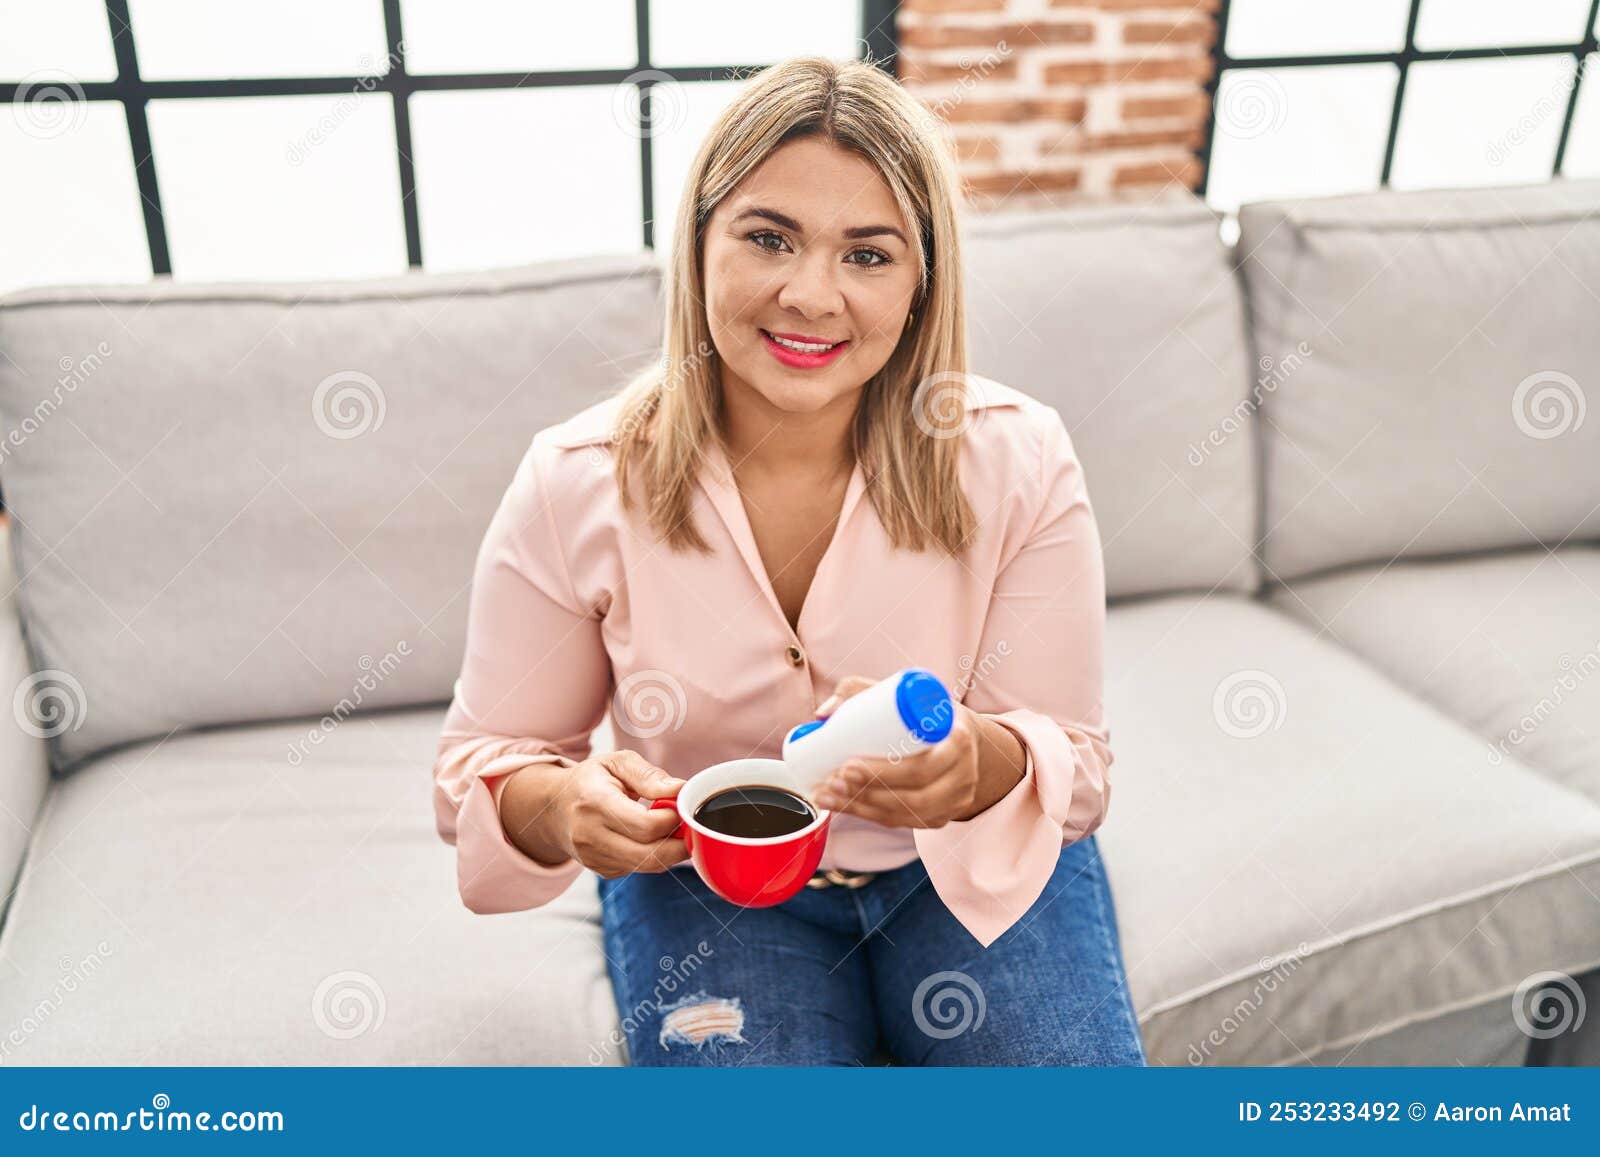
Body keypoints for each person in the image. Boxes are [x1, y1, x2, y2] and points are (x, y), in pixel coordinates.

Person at [432, 55, 1144, 1067]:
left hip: (961, 860)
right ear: (698, 244)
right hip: (704, 880)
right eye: (768, 238)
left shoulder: (1017, 457)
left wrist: (976, 764)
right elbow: (479, 767)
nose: (811, 295)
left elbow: (1073, 762)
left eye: (868, 254)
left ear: (920, 282)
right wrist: (559, 806)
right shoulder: (574, 480)